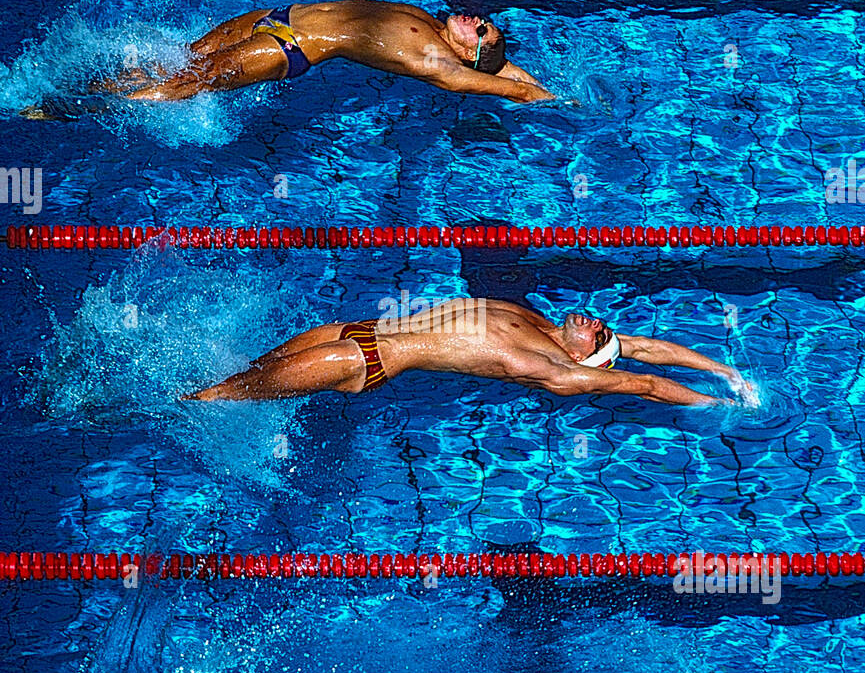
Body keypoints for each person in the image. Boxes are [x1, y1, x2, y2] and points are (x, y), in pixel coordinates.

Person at [181, 297, 755, 407]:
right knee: (246, 374)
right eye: (607, 330)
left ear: (585, 360)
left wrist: (711, 404)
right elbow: (645, 350)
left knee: (219, 396)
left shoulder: (552, 368)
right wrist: (722, 367)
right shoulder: (541, 323)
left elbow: (644, 382)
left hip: (365, 360)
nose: (601, 325)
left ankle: (161, 407)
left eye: (599, 338)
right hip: (350, 329)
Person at [20, 2, 551, 116]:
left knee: (189, 84)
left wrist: (532, 95)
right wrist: (538, 82)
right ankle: (85, 84)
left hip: (289, 48)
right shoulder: (434, 23)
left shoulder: (440, 60)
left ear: (470, 49)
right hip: (275, 16)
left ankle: (74, 109)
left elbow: (477, 82)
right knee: (181, 62)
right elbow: (500, 64)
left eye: (480, 28)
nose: (475, 16)